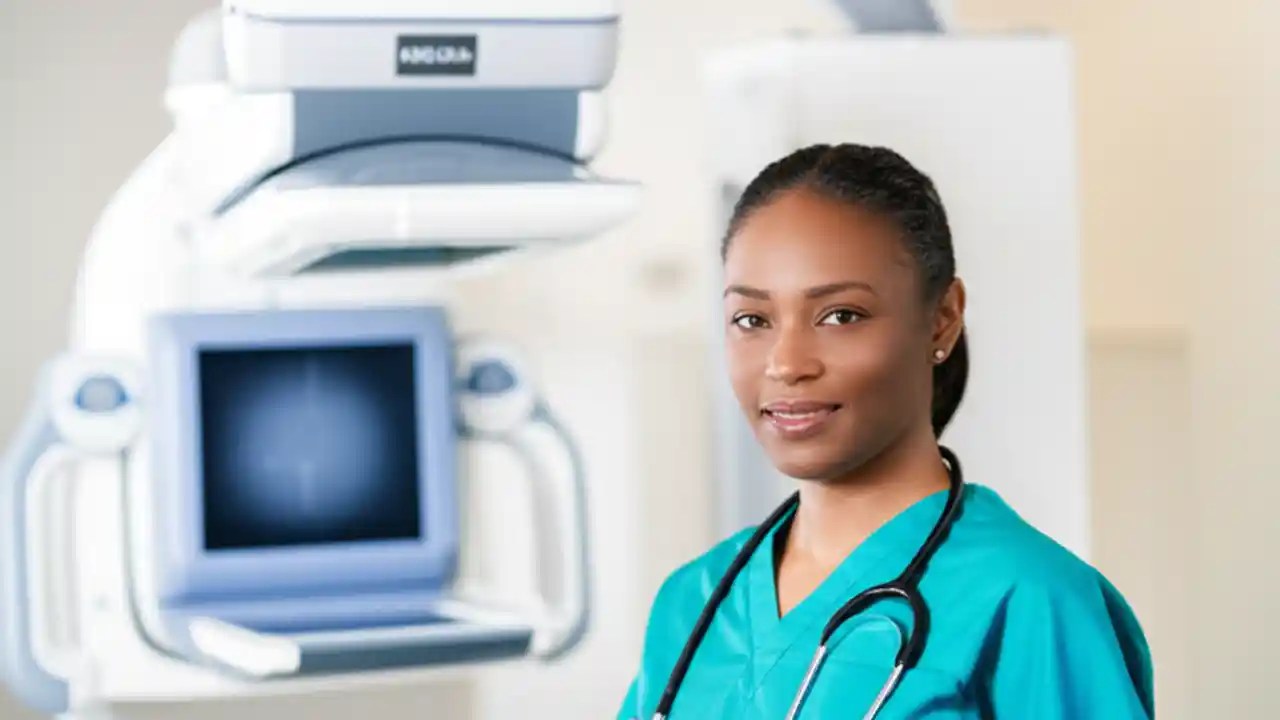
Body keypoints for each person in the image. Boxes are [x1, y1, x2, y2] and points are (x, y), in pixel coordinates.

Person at [617, 144, 1153, 718]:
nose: (785, 362)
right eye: (753, 320)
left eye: (841, 316)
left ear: (942, 318)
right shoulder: (692, 604)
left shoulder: (1031, 599)